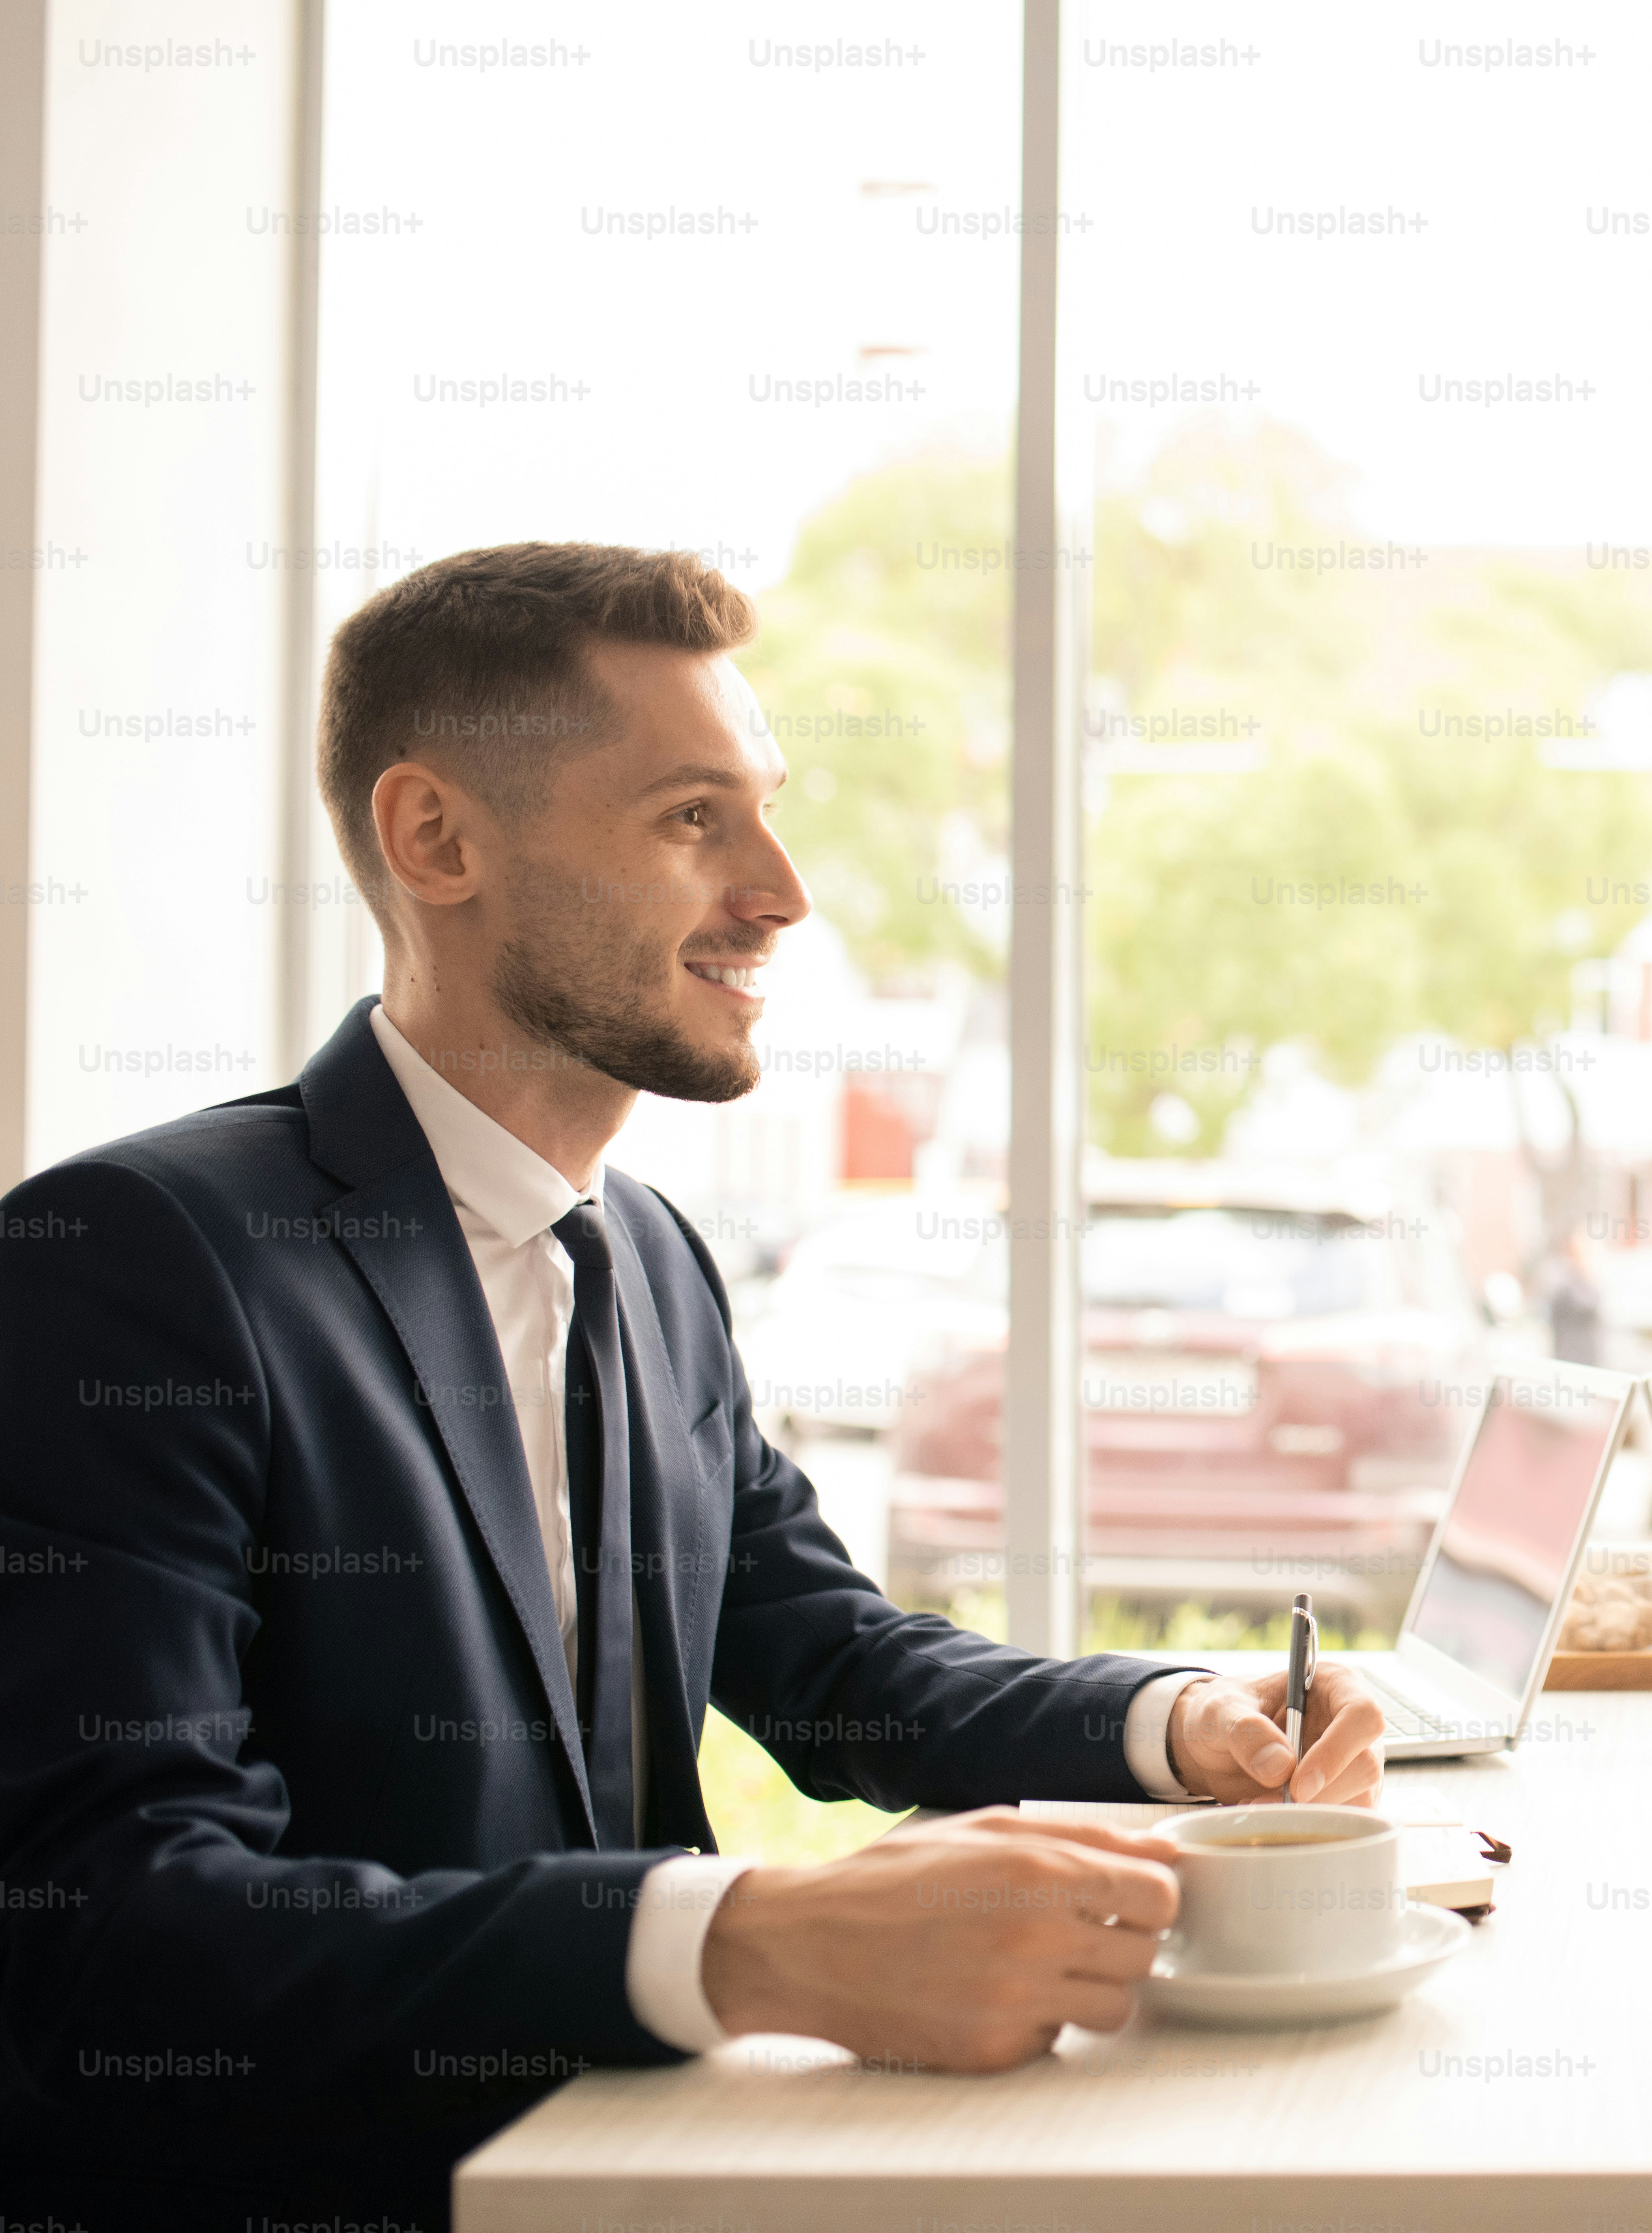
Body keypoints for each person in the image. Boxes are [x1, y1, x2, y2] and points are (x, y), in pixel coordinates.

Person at [0, 544, 1390, 2228]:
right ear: (435, 838)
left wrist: (1175, 1723)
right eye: (691, 818)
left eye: (769, 809)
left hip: (637, 2174)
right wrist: (742, 1936)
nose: (785, 888)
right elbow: (112, 1919)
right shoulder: (134, 1261)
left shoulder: (647, 1256)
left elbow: (834, 1662)